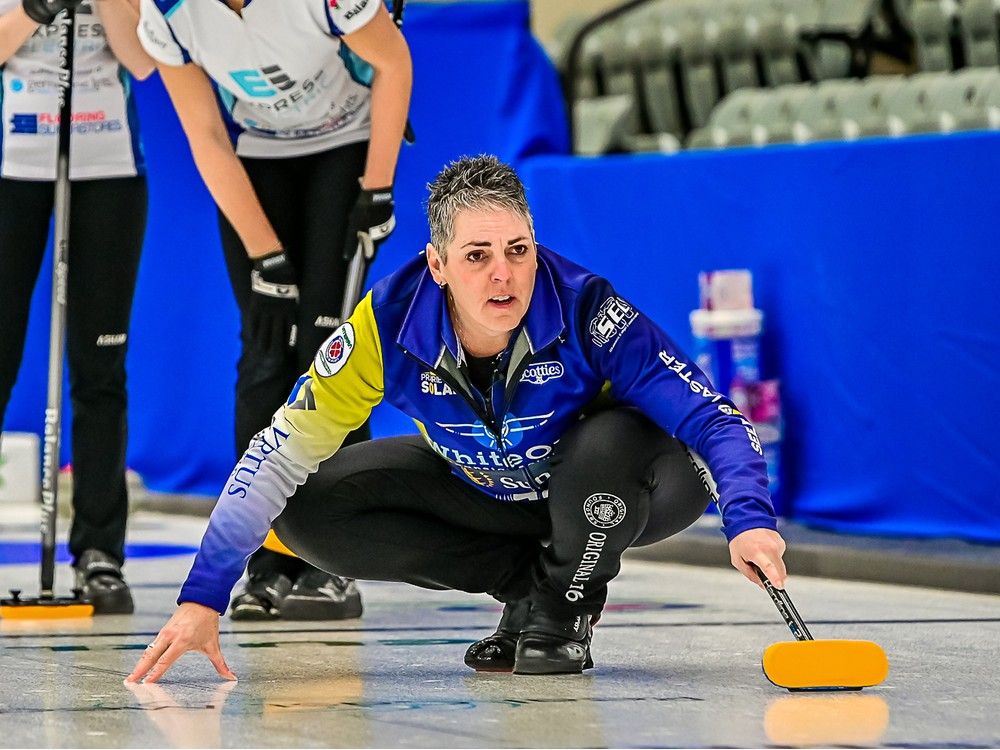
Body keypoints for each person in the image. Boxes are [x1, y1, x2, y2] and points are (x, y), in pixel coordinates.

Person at [128, 154, 787, 682]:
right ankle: (527, 587)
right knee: (305, 510)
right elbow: (276, 453)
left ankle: (563, 611)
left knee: (608, 440)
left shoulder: (588, 309)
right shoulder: (385, 325)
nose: (504, 275)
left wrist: (750, 520)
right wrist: (202, 597)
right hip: (492, 489)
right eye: (477, 256)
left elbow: (716, 418)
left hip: (633, 484)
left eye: (518, 250)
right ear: (437, 265)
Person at [135, 0, 412, 620]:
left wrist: (377, 189)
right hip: (258, 157)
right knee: (264, 358)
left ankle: (333, 563)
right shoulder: (168, 14)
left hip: (345, 148)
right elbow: (207, 137)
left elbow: (394, 62)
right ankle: (267, 558)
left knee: (327, 357)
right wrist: (266, 256)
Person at [0, 0, 153, 613]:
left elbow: (143, 61)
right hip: (13, 164)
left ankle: (99, 551)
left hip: (109, 165)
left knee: (99, 368)